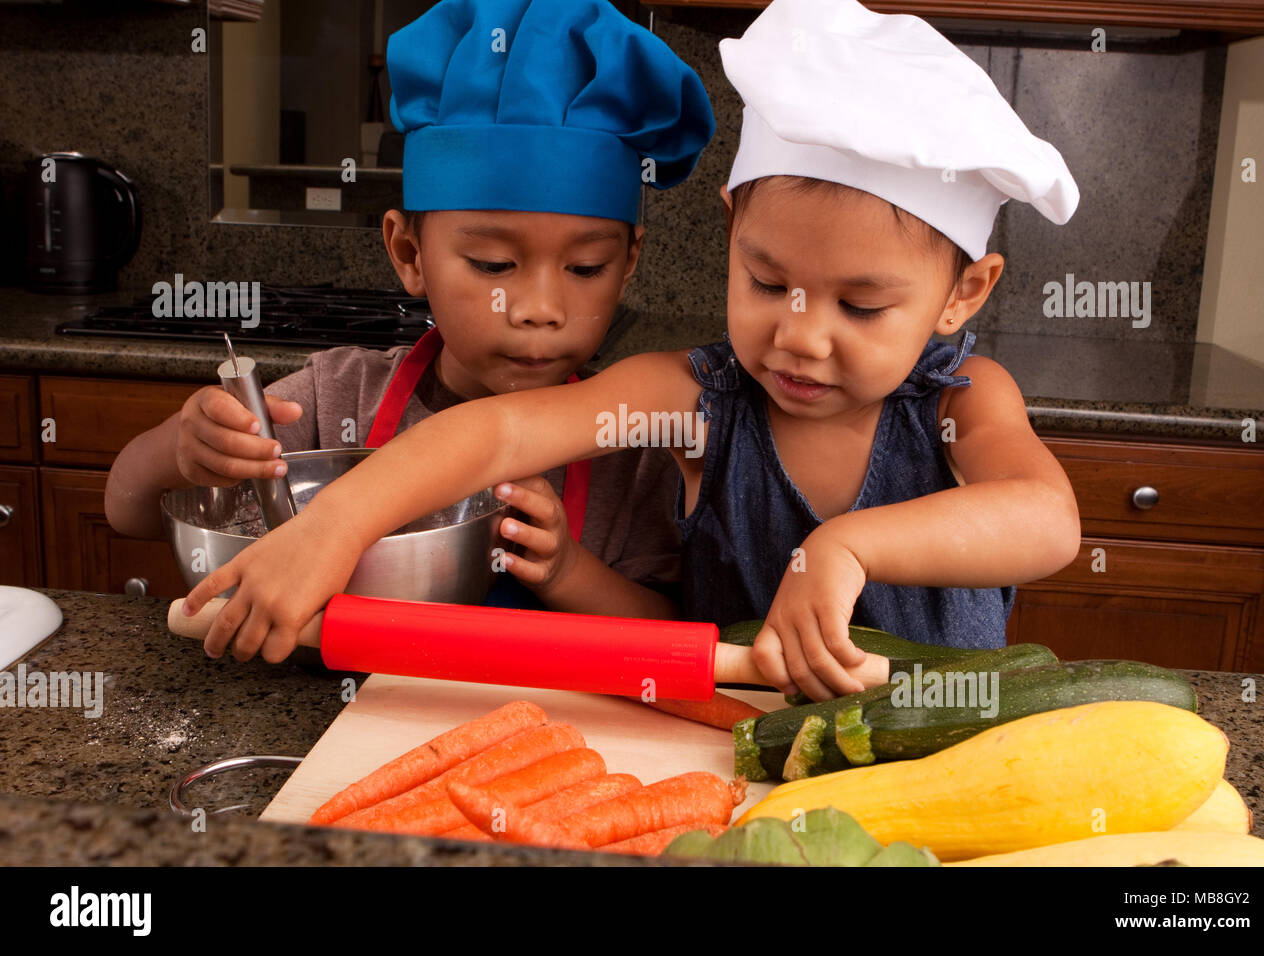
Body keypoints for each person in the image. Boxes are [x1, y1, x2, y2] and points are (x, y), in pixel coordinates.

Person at [180, 0, 1082, 702]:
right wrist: (335, 527)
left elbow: (1045, 519)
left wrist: (846, 547)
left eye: (862, 305)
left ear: (964, 293)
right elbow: (495, 436)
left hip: (943, 766)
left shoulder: (961, 402)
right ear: (731, 233)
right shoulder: (694, 401)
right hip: (725, 756)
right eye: (768, 285)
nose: (801, 335)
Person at [106, 0, 714, 625]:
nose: (539, 310)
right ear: (409, 252)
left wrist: (567, 572)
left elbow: (670, 630)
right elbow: (125, 508)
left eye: (585, 268)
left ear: (630, 261)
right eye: (493, 265)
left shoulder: (633, 452)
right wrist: (182, 452)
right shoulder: (336, 399)